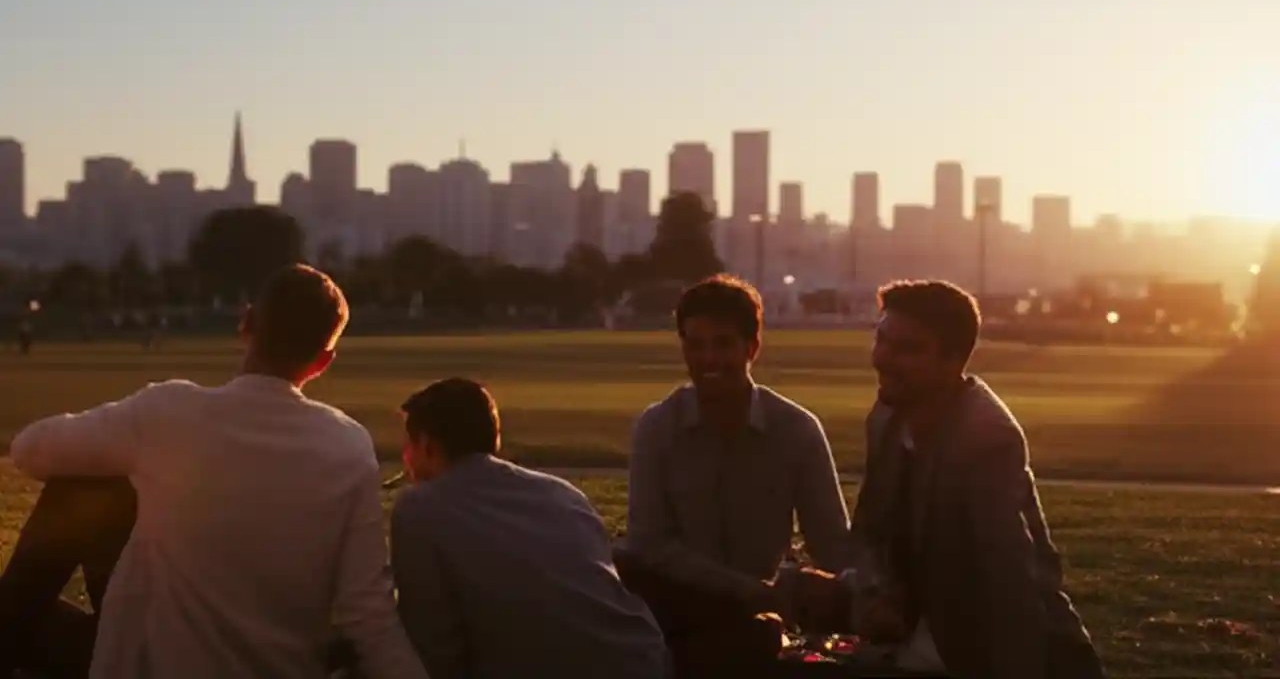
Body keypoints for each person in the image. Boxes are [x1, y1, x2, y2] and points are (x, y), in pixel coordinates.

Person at [4, 264, 428, 679]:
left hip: (150, 662)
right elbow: (368, 613)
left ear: (246, 323)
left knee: (81, 488)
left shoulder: (170, 412)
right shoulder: (348, 446)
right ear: (322, 360)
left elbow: (29, 450)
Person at [817, 280, 1104, 679]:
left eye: (907, 349)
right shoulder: (886, 417)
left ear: (954, 362)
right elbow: (870, 529)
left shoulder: (985, 438)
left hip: (980, 645)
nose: (883, 358)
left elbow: (1011, 582)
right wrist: (875, 593)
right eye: (881, 340)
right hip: (911, 628)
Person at [617, 274, 850, 674]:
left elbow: (832, 540)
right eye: (695, 345)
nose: (708, 359)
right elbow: (648, 544)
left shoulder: (796, 430)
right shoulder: (657, 427)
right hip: (671, 605)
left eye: (723, 344)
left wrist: (854, 592)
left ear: (752, 348)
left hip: (750, 618)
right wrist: (753, 592)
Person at [391, 377, 669, 679]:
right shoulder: (562, 493)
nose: (406, 459)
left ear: (427, 445)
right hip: (644, 661)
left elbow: (433, 647)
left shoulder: (419, 508)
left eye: (410, 446)